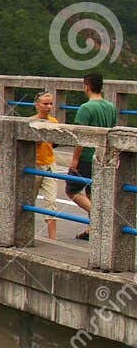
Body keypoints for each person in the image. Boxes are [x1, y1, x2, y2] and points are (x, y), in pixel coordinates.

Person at [69, 71, 118, 239]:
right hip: (103, 156)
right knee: (92, 193)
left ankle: (97, 217)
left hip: (86, 157)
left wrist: (75, 159)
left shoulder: (86, 108)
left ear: (87, 86)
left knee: (71, 190)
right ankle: (92, 231)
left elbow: (80, 137)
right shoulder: (111, 107)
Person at [26, 91, 63, 242]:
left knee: (51, 202)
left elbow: (55, 143)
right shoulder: (29, 122)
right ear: (37, 105)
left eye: (50, 104)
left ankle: (52, 239)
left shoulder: (54, 122)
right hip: (33, 164)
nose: (48, 107)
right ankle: (25, 233)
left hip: (49, 165)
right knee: (28, 200)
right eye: (45, 104)